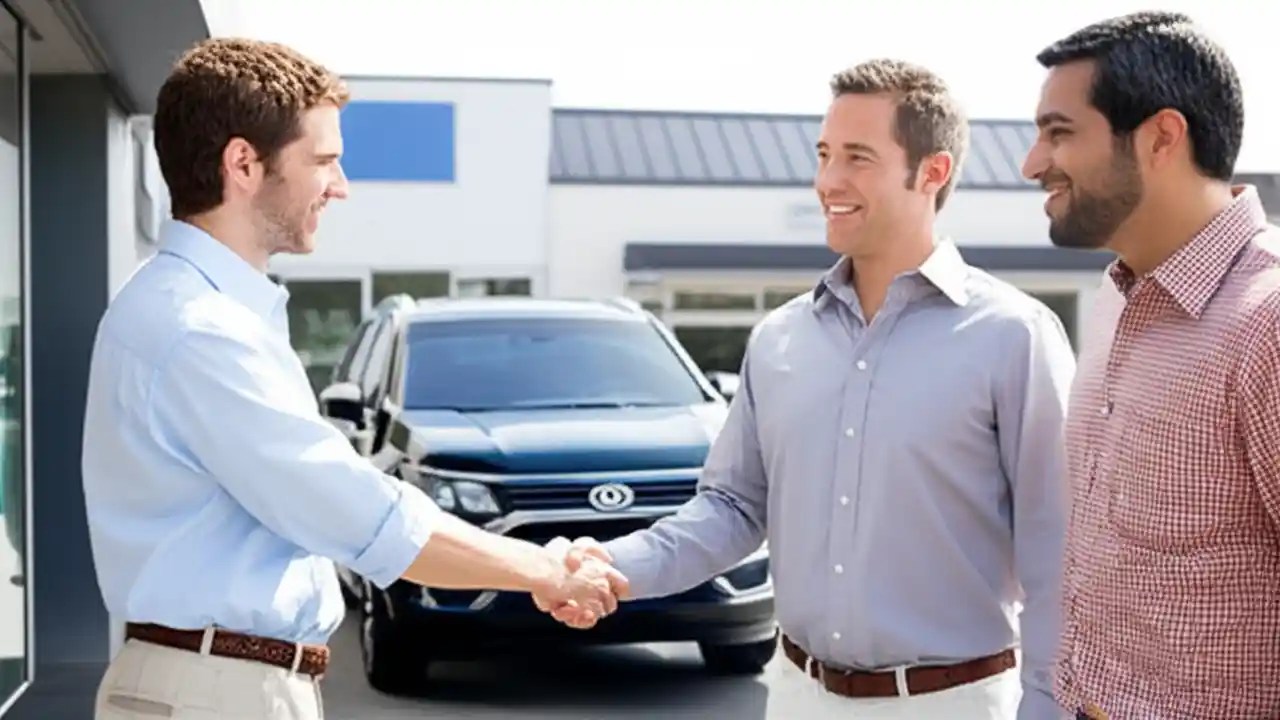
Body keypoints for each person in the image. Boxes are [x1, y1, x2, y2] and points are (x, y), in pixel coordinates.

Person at [80, 38, 625, 720]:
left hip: (217, 682)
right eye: (324, 161)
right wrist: (542, 571)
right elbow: (356, 513)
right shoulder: (198, 329)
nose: (340, 186)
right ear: (243, 163)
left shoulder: (199, 313)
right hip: (214, 692)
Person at [538, 59, 1076, 720]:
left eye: (857, 157)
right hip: (799, 696)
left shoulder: (1014, 336)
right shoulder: (779, 340)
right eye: (824, 155)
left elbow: (1061, 556)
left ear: (931, 173)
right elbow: (731, 509)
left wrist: (1049, 707)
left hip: (956, 703)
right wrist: (610, 563)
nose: (828, 182)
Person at [1022, 11, 1280, 720]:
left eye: (1059, 132)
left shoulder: (1270, 322)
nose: (1032, 163)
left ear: (1162, 136)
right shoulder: (1116, 295)